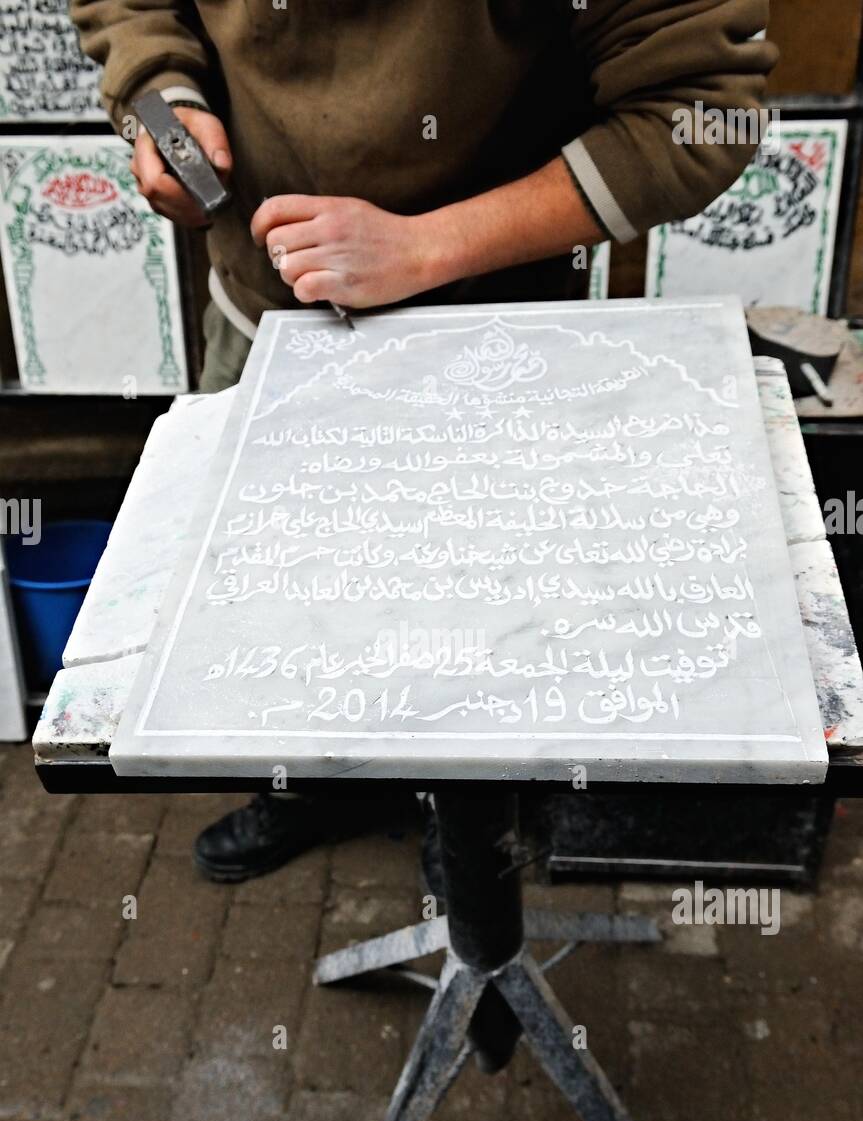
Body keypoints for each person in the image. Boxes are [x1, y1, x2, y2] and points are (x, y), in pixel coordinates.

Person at [71, 0, 777, 883]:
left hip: (499, 342)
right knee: (283, 604)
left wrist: (430, 246)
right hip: (263, 317)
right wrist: (160, 90)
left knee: (492, 627)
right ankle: (305, 780)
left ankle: (471, 813)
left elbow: (698, 112)